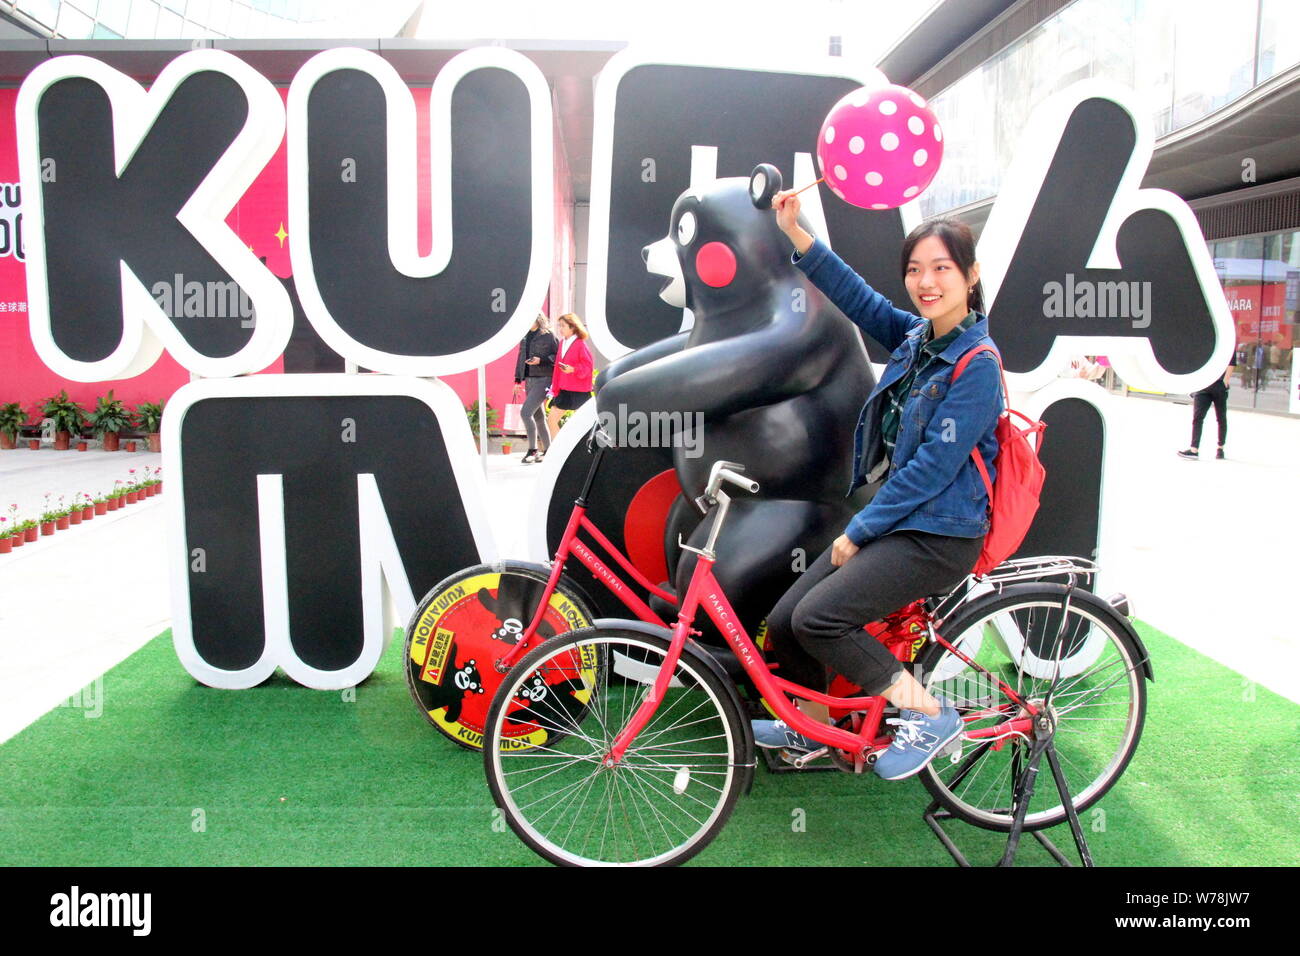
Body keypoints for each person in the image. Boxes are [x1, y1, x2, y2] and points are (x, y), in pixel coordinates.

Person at [751, 191, 1004, 781]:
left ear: (970, 275)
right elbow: (860, 301)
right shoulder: (919, 340)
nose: (926, 281)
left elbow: (932, 469)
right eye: (915, 269)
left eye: (941, 267)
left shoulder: (978, 365)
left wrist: (860, 530)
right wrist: (797, 235)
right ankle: (808, 728)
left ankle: (927, 715)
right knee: (787, 619)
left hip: (940, 534)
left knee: (820, 620)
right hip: (902, 522)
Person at [514, 313, 558, 463]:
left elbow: (557, 356)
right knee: (538, 417)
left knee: (525, 413)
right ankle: (548, 451)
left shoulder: (548, 335)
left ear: (538, 318)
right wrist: (517, 381)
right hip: (529, 380)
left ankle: (532, 450)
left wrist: (542, 360)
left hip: (544, 378)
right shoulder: (525, 336)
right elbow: (521, 358)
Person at [547, 313, 594, 440]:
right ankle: (557, 452)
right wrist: (555, 389)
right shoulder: (562, 343)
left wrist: (573, 369)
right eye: (559, 326)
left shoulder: (580, 344)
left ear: (572, 327)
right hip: (564, 390)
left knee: (585, 426)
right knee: (551, 420)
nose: (560, 329)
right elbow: (557, 368)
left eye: (563, 326)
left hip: (579, 392)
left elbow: (588, 367)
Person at [1177, 362, 1233, 460]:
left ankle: (1220, 448)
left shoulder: (1228, 347)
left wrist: (1225, 380)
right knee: (1197, 418)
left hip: (1219, 385)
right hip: (1203, 386)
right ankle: (1194, 450)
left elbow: (1231, 362)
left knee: (1221, 418)